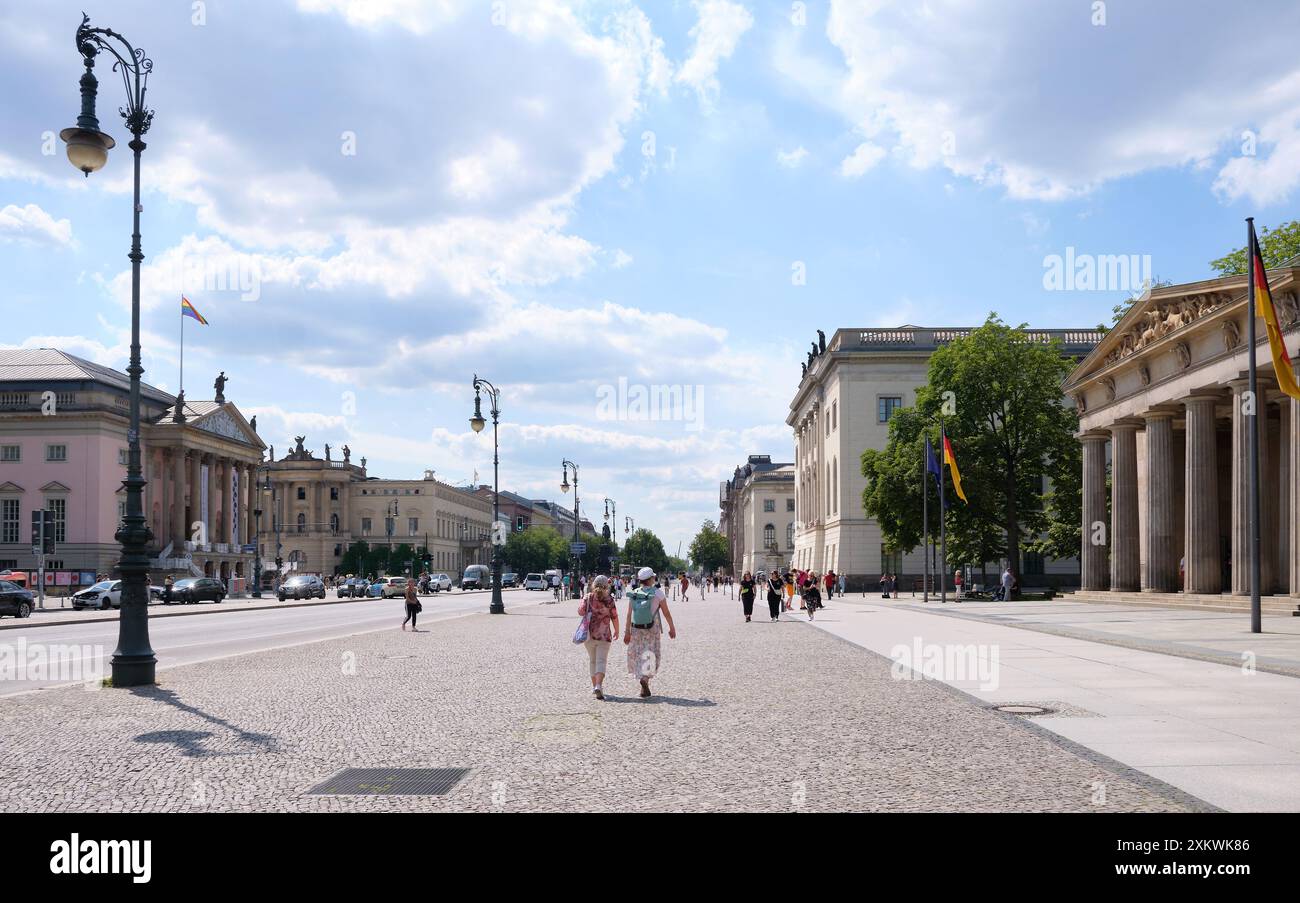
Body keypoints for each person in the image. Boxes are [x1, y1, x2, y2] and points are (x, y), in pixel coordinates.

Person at [624, 567, 676, 698]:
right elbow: (666, 613)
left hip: (636, 628)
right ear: (651, 579)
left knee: (638, 652)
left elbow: (629, 614)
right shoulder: (658, 593)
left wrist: (627, 632)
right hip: (652, 628)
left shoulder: (634, 593)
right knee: (651, 653)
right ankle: (645, 679)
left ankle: (641, 678)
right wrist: (672, 627)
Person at [578, 575, 619, 700]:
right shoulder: (609, 600)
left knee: (592, 661)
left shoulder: (588, 597)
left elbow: (580, 611)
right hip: (604, 635)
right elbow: (614, 617)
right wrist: (617, 630)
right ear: (607, 586)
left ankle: (594, 686)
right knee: (601, 661)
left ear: (593, 585)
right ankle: (598, 685)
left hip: (589, 635)